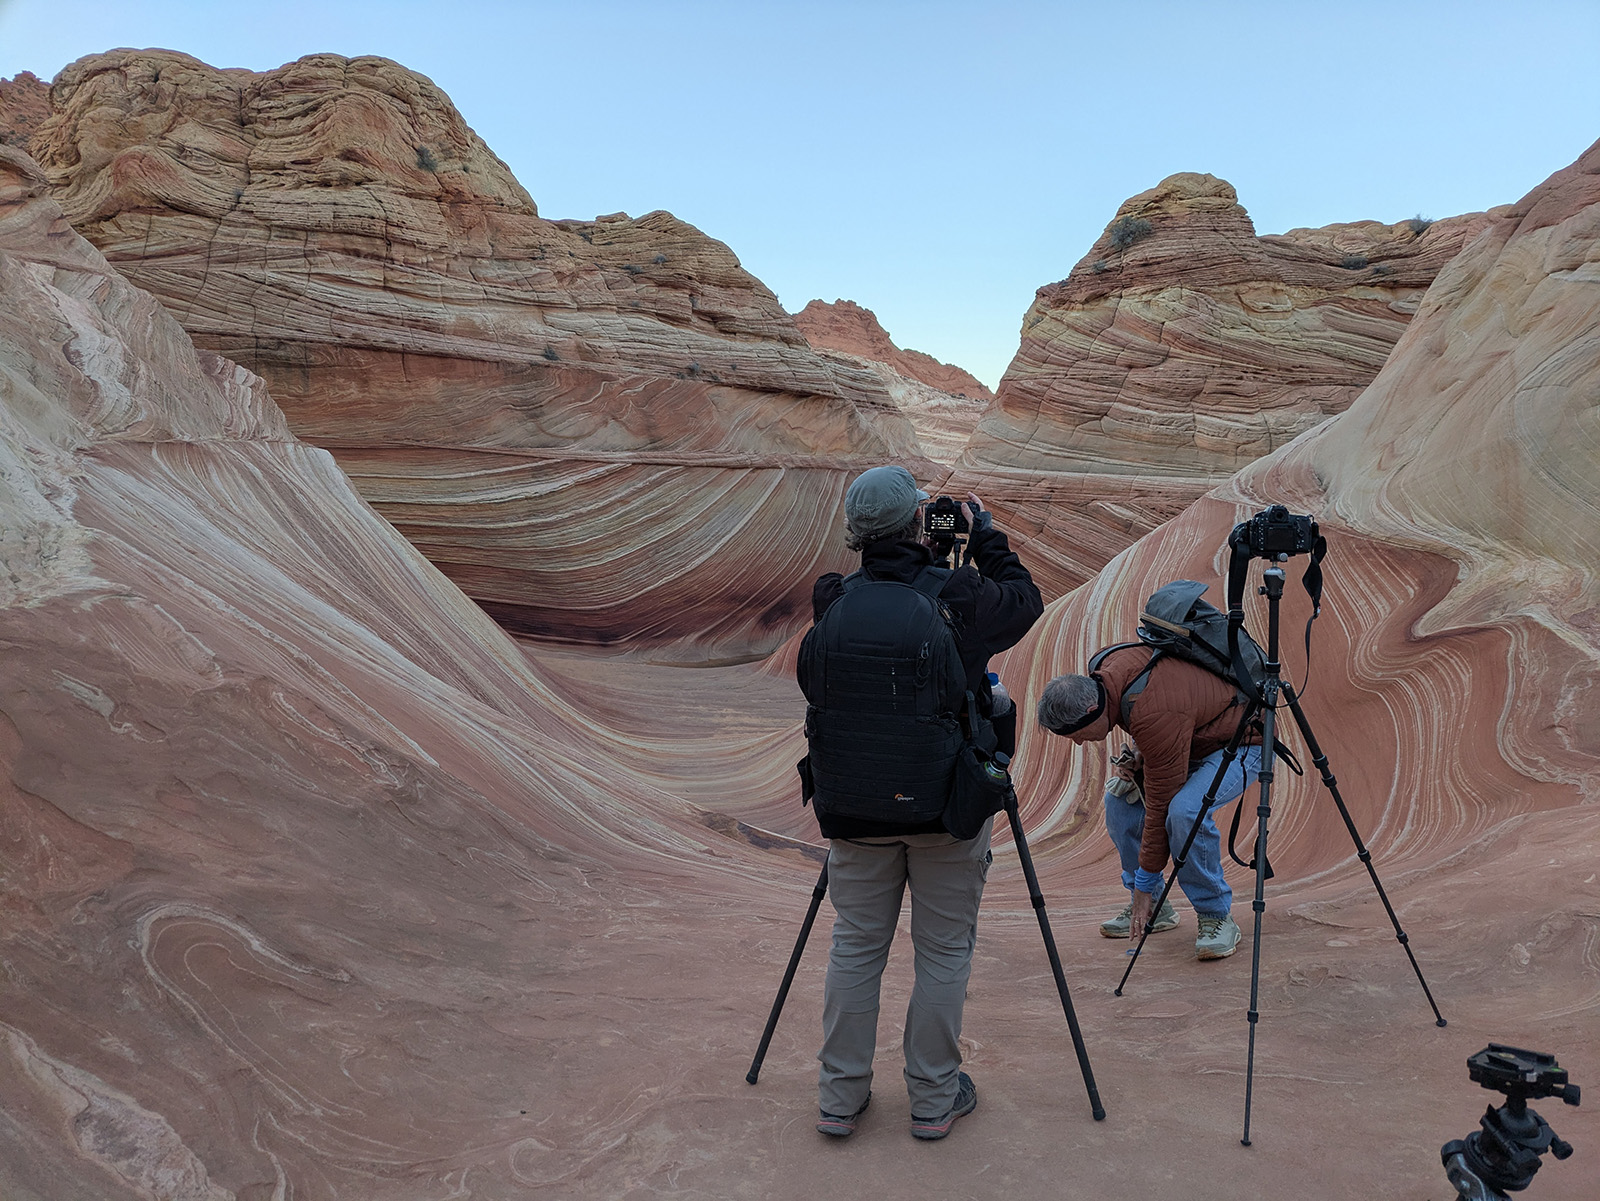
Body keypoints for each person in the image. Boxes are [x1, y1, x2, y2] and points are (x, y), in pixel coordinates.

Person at [798, 465, 1041, 1141]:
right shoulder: (957, 598)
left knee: (855, 947)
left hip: (853, 811)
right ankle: (933, 1098)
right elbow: (1024, 600)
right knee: (941, 952)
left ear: (857, 535)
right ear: (916, 524)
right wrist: (984, 534)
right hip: (946, 812)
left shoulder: (834, 601)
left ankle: (839, 1095)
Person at [1035, 645, 1263, 960]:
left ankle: (1215, 915)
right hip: (1189, 741)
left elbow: (1160, 807)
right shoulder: (1108, 673)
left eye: (1074, 734)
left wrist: (1143, 883)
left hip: (1242, 742)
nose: (1076, 742)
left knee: (1185, 812)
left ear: (1091, 710)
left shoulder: (1151, 711)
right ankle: (1155, 908)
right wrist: (1141, 755)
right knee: (1121, 800)